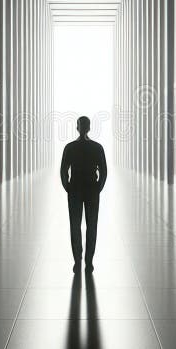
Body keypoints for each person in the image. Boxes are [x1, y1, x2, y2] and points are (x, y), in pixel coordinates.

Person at [60, 116, 107, 272]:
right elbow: (104, 171)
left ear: (77, 127)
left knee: (76, 226)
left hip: (76, 189)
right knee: (91, 225)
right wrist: (98, 187)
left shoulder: (70, 147)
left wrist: (68, 187)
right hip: (91, 189)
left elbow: (63, 170)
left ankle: (78, 260)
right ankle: (88, 260)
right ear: (89, 127)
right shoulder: (97, 147)